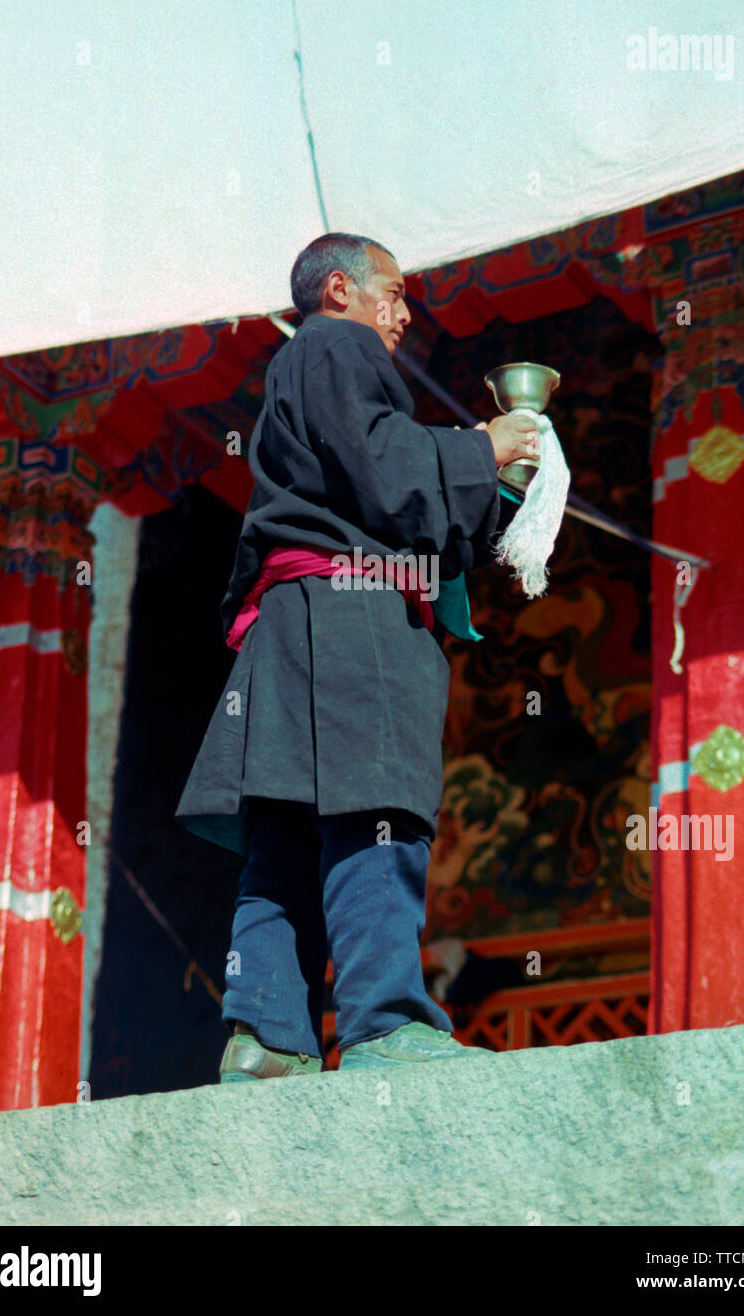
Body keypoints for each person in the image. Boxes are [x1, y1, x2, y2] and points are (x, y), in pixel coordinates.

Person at [175, 232, 538, 1080]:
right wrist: (483, 447)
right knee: (375, 815)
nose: (405, 315)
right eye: (395, 293)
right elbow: (384, 466)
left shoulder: (302, 373)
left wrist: (497, 494)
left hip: (292, 625)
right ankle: (384, 1027)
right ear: (339, 288)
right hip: (350, 620)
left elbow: (383, 498)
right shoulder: (335, 344)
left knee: (287, 838)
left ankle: (264, 1039)